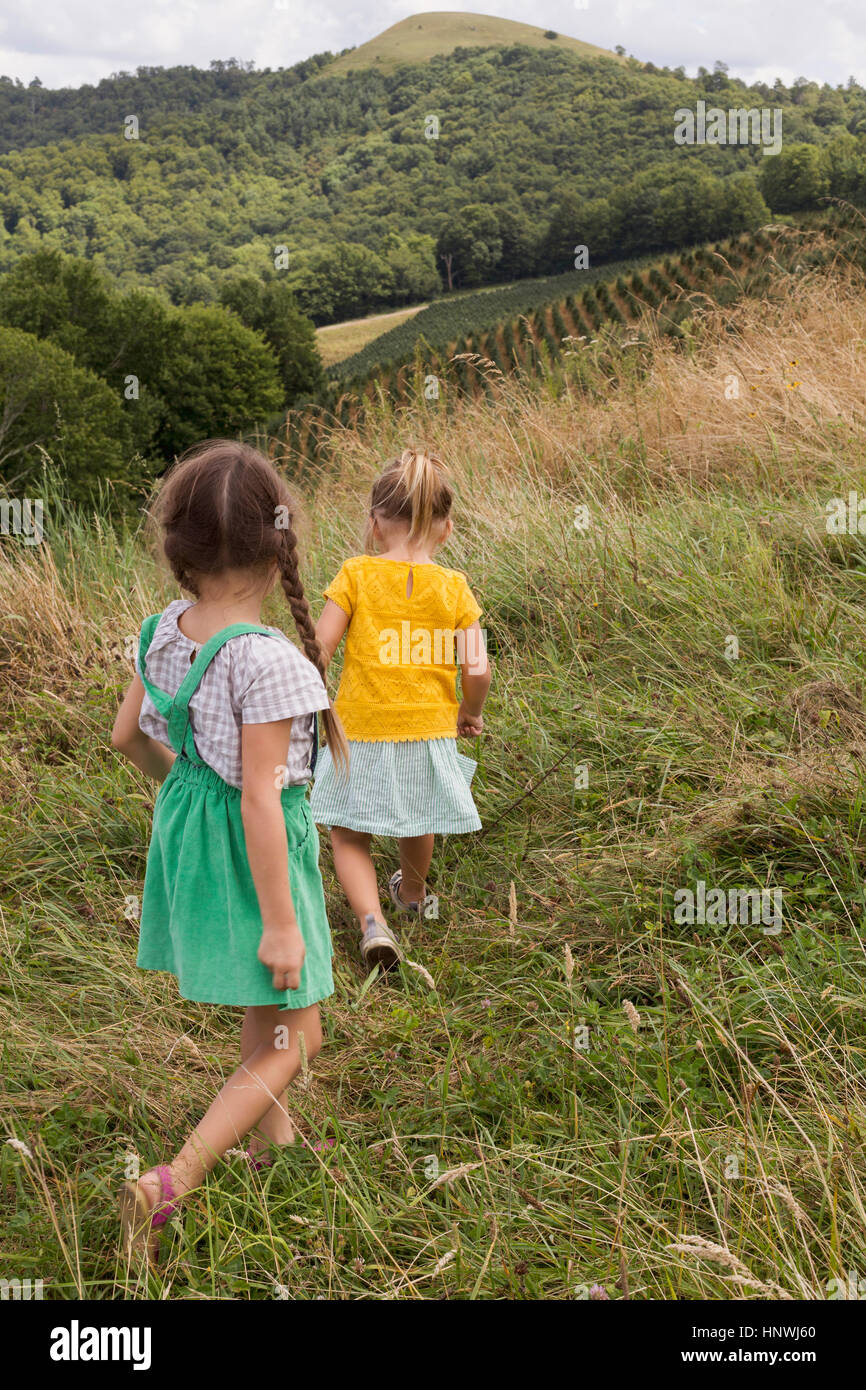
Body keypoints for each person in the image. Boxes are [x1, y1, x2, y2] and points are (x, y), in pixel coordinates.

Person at [111, 440, 346, 1264]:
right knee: (302, 1034)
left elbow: (124, 738)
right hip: (260, 850)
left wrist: (183, 795)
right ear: (277, 542)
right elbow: (259, 794)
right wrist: (282, 922)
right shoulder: (269, 659)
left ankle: (271, 1150)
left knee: (268, 1012)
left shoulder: (160, 632)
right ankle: (172, 1181)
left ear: (178, 548)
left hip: (194, 828)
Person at [310, 448, 491, 969]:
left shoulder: (355, 574)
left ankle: (372, 921)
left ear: (374, 523)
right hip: (428, 726)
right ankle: (412, 896)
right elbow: (477, 669)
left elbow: (319, 649)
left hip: (359, 729)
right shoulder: (454, 587)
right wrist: (468, 712)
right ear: (446, 527)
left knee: (348, 834)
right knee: (420, 816)